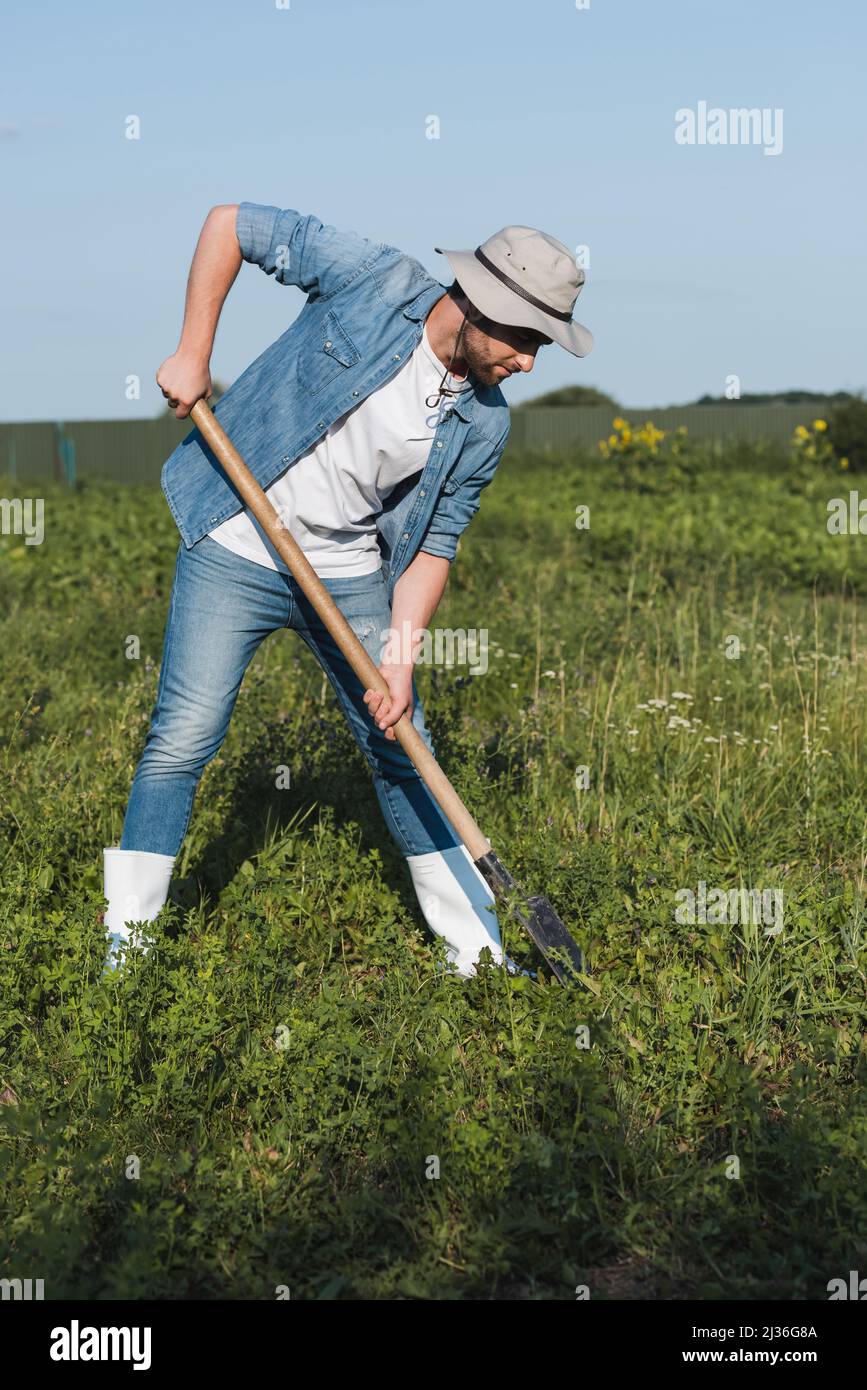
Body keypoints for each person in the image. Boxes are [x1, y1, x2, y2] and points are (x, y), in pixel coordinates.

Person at [102, 203, 593, 976]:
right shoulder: (372, 278)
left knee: (403, 741)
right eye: (526, 340)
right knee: (184, 736)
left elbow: (434, 544)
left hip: (349, 574)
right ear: (480, 308)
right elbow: (229, 223)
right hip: (235, 542)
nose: (529, 363)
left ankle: (476, 954)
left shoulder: (484, 424)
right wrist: (194, 352)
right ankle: (123, 955)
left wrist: (398, 662)